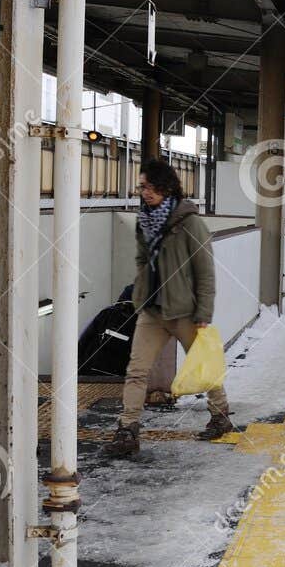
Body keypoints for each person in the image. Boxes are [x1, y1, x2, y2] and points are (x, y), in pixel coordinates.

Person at [105, 160, 235, 458]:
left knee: (204, 367)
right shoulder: (144, 220)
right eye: (142, 187)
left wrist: (204, 313)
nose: (145, 193)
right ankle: (128, 430)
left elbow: (205, 271)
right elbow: (141, 258)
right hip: (152, 311)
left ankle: (221, 415)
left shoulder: (189, 222)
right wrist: (140, 290)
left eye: (150, 187)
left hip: (184, 312)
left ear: (165, 187)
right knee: (136, 371)